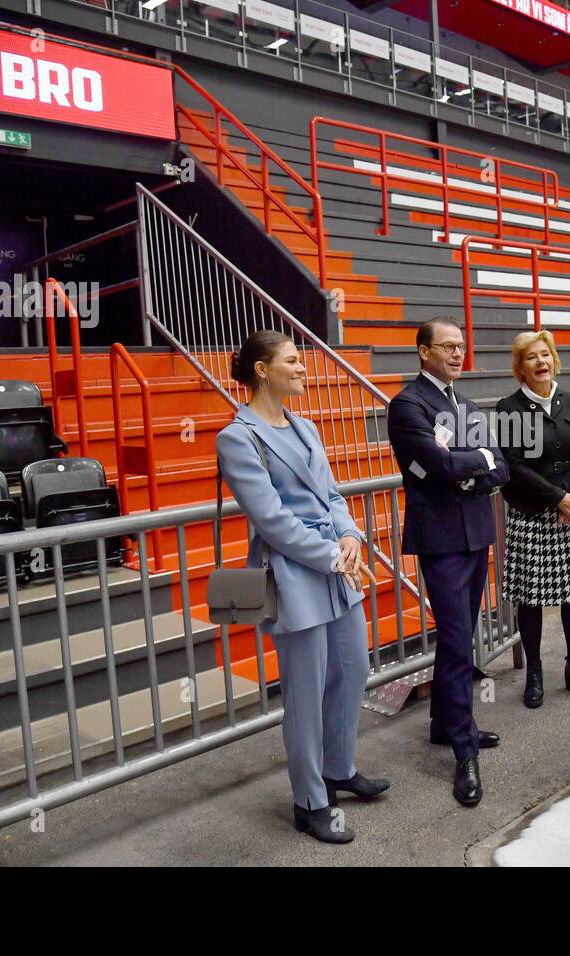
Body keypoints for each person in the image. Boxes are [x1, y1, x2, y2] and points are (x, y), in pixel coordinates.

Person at [215, 330, 389, 845]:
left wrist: (352, 534)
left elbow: (331, 495)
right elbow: (270, 520)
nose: (303, 367)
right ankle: (310, 800)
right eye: (292, 360)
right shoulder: (237, 437)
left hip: (336, 568)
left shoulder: (305, 425)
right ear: (262, 370)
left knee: (354, 667)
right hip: (295, 576)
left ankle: (339, 769)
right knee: (305, 693)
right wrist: (334, 555)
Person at [387, 317, 510, 807]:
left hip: (474, 532)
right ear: (423, 352)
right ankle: (464, 749)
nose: (458, 354)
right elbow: (432, 467)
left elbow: (499, 466)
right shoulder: (408, 404)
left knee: (462, 635)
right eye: (448, 347)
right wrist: (470, 461)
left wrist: (471, 463)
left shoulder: (468, 404)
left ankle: (444, 724)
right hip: (440, 538)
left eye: (462, 346)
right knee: (459, 638)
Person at [495, 331, 570, 709]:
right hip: (533, 514)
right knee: (531, 599)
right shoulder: (509, 408)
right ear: (520, 368)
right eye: (532, 357)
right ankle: (535, 673)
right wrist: (557, 499)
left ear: (554, 359)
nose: (541, 362)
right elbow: (514, 465)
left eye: (546, 355)